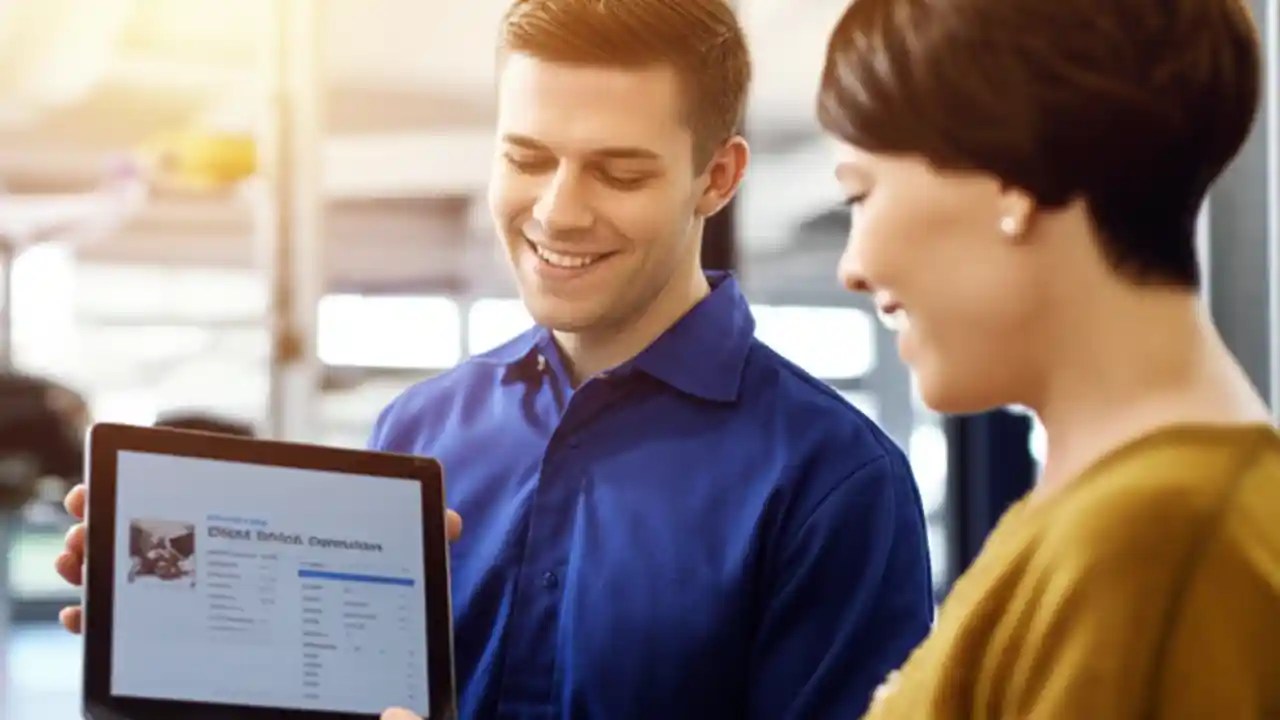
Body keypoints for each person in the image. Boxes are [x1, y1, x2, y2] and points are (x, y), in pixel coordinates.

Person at [56, 1, 934, 718]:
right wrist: (175, 627)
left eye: (618, 174)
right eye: (526, 158)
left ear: (717, 178)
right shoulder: (419, 430)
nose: (558, 213)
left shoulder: (832, 482)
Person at [815, 0, 1280, 717]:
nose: (854, 265)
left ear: (1007, 175)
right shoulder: (1107, 519)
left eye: (860, 194)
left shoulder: (1151, 543)